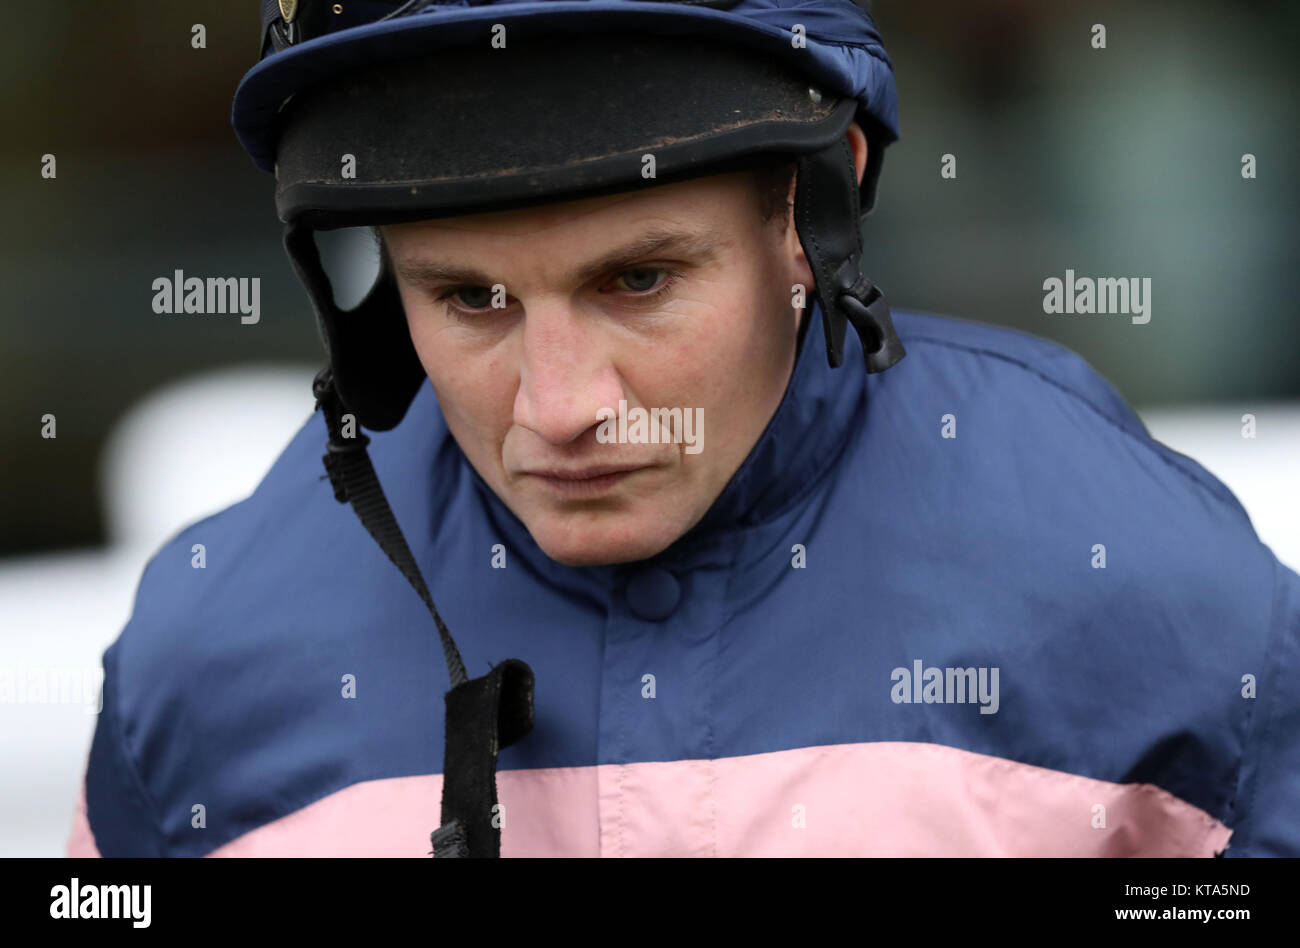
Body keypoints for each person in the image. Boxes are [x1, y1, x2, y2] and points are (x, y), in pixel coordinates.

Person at [67, 0, 1299, 858]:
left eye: (638, 281)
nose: (559, 409)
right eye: (470, 298)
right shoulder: (203, 661)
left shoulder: (1158, 596)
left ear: (811, 219)